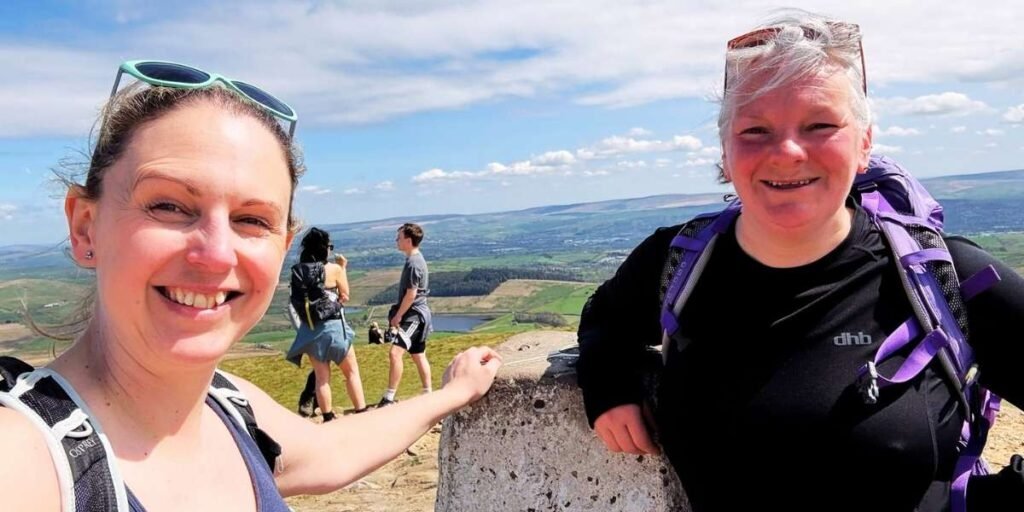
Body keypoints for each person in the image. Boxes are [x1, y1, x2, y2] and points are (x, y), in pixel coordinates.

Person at [0, 60, 501, 511]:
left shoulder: (229, 404)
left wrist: (452, 394)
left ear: (283, 247)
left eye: (252, 219)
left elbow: (331, 452)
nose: (216, 253)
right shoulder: (24, 462)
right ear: (85, 227)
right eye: (168, 206)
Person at [575, 10, 1024, 512]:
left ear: (864, 145)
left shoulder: (946, 274)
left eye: (819, 125)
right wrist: (609, 386)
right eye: (755, 131)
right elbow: (605, 317)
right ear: (725, 153)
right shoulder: (674, 261)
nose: (787, 152)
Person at [286, 228, 367, 420]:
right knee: (351, 373)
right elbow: (345, 295)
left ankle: (328, 416)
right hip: (334, 328)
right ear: (324, 249)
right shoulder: (334, 269)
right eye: (329, 246)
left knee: (322, 379)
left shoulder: (299, 270)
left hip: (311, 330)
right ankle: (361, 411)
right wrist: (343, 267)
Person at [377, 223, 433, 408]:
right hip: (419, 315)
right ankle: (428, 395)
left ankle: (389, 398)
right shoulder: (416, 260)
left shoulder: (413, 263)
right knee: (418, 354)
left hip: (414, 316)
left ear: (408, 241)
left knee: (395, 353)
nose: (396, 241)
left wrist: (398, 316)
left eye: (399, 237)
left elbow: (411, 294)